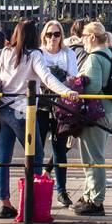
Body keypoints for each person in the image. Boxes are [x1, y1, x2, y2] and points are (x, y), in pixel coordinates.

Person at [0, 19, 71, 218]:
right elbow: (47, 78)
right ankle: (31, 199)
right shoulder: (34, 55)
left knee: (3, 159)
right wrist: (66, 92)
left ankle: (5, 203)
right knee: (36, 157)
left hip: (3, 109)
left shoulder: (6, 52)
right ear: (34, 36)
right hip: (23, 112)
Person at [73, 21, 112, 216]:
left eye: (84, 36)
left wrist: (75, 82)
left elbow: (92, 88)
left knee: (93, 158)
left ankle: (96, 201)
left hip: (96, 113)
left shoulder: (93, 58)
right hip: (110, 111)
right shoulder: (109, 53)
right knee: (94, 155)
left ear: (92, 37)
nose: (81, 39)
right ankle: (88, 195)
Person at [35, 19, 79, 208]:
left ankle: (61, 191)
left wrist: (61, 80)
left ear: (62, 36)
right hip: (41, 105)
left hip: (61, 106)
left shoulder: (68, 53)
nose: (53, 38)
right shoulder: (39, 53)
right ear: (44, 36)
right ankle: (35, 187)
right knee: (36, 150)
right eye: (49, 34)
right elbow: (38, 77)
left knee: (60, 149)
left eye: (57, 34)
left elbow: (73, 77)